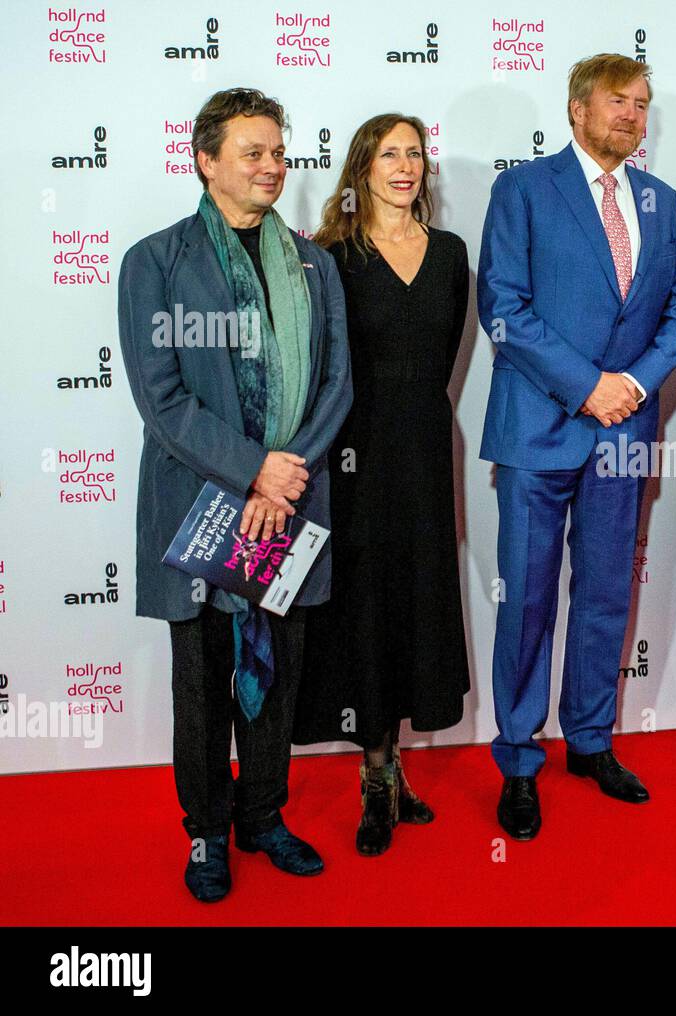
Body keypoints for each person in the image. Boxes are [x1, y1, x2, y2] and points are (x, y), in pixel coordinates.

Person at [117, 87, 352, 901]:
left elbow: (335, 385)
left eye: (279, 153)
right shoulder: (155, 262)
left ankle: (263, 815)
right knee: (202, 675)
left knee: (279, 669)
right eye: (252, 152)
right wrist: (255, 468)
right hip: (203, 503)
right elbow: (164, 397)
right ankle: (206, 832)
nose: (271, 167)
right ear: (206, 160)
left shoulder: (314, 265)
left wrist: (284, 475)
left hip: (288, 502)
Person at [478, 54, 676, 839]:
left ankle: (592, 740)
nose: (632, 115)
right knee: (528, 599)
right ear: (577, 109)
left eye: (642, 103)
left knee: (606, 590)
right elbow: (503, 305)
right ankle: (517, 758)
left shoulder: (662, 202)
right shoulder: (523, 189)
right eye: (617, 102)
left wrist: (633, 386)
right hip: (540, 427)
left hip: (627, 432)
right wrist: (588, 386)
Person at [292, 114, 470, 856]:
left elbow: (445, 357)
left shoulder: (453, 252)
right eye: (389, 153)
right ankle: (374, 773)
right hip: (353, 458)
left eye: (416, 154)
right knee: (362, 605)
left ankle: (395, 761)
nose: (405, 166)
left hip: (426, 450)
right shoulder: (328, 257)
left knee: (416, 599)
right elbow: (322, 368)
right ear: (361, 167)